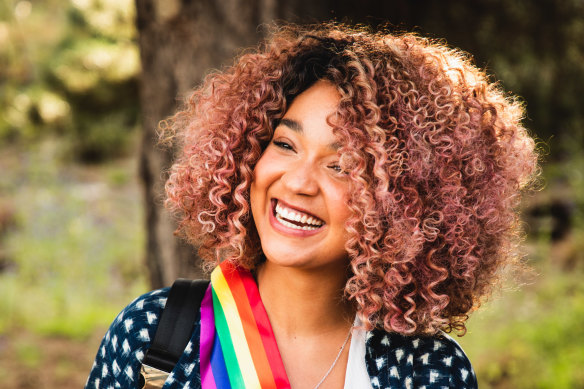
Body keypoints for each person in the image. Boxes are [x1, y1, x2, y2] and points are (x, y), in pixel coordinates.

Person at [85, 23, 538, 389]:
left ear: (402, 203)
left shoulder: (425, 371)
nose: (299, 182)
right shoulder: (154, 334)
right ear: (248, 155)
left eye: (342, 165)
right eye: (285, 143)